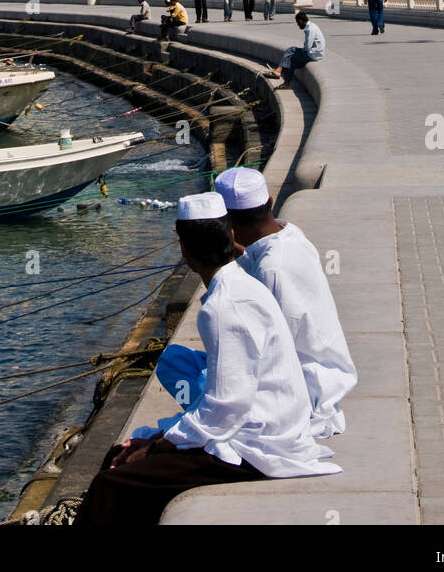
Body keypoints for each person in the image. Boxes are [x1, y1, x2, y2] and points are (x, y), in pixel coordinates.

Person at [73, 192, 340, 527]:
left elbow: (226, 407)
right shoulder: (241, 284)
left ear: (185, 250)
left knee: (112, 483)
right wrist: (158, 440)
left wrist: (156, 448)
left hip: (254, 448)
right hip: (258, 429)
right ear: (231, 236)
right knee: (121, 456)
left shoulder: (223, 306)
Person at [216, 167, 357, 439]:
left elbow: (266, 349)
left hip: (305, 391)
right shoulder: (290, 234)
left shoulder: (272, 269)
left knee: (194, 372)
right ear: (269, 202)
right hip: (319, 375)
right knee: (181, 362)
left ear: (227, 224)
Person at [269, 9, 325, 87]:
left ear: (301, 21)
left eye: (298, 23)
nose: (298, 25)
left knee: (291, 59)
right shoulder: (311, 26)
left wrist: (299, 53)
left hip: (313, 54)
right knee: (291, 50)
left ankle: (286, 82)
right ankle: (279, 70)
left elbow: (307, 47)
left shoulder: (310, 29)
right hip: (313, 52)